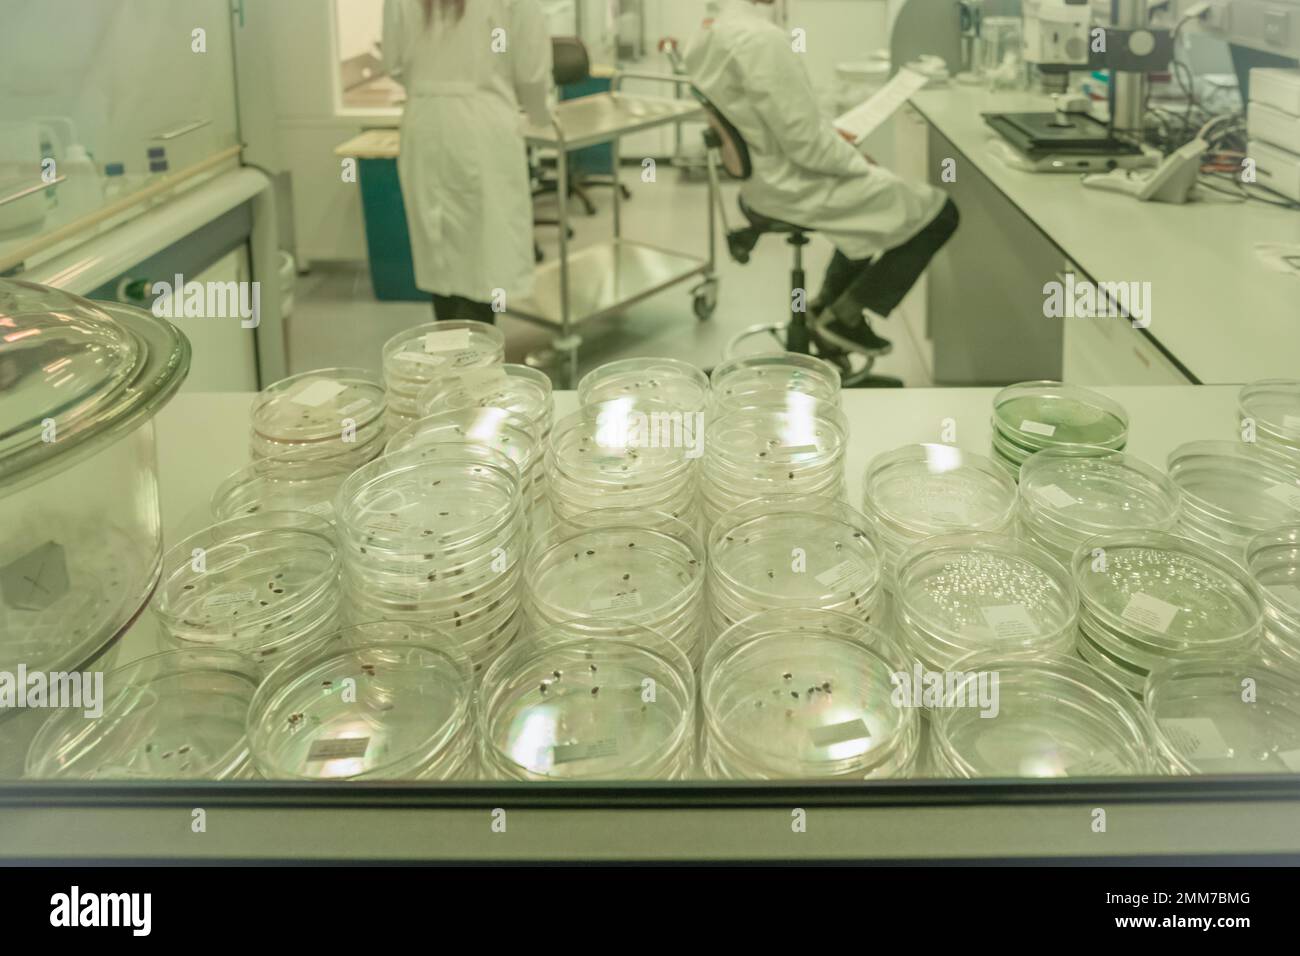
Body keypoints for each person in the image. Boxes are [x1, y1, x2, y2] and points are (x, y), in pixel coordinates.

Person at [685, 0, 959, 355]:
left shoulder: (711, 29)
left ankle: (823, 309)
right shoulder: (763, 41)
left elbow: (776, 123)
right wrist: (860, 162)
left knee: (874, 207)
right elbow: (806, 146)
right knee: (940, 212)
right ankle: (844, 316)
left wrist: (833, 142)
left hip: (763, 181)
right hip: (792, 184)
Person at [382, 0, 552, 324]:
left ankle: (450, 358)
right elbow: (532, 74)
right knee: (483, 260)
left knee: (439, 253)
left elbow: (394, 63)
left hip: (424, 121)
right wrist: (542, 116)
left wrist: (431, 85)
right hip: (483, 122)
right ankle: (476, 364)